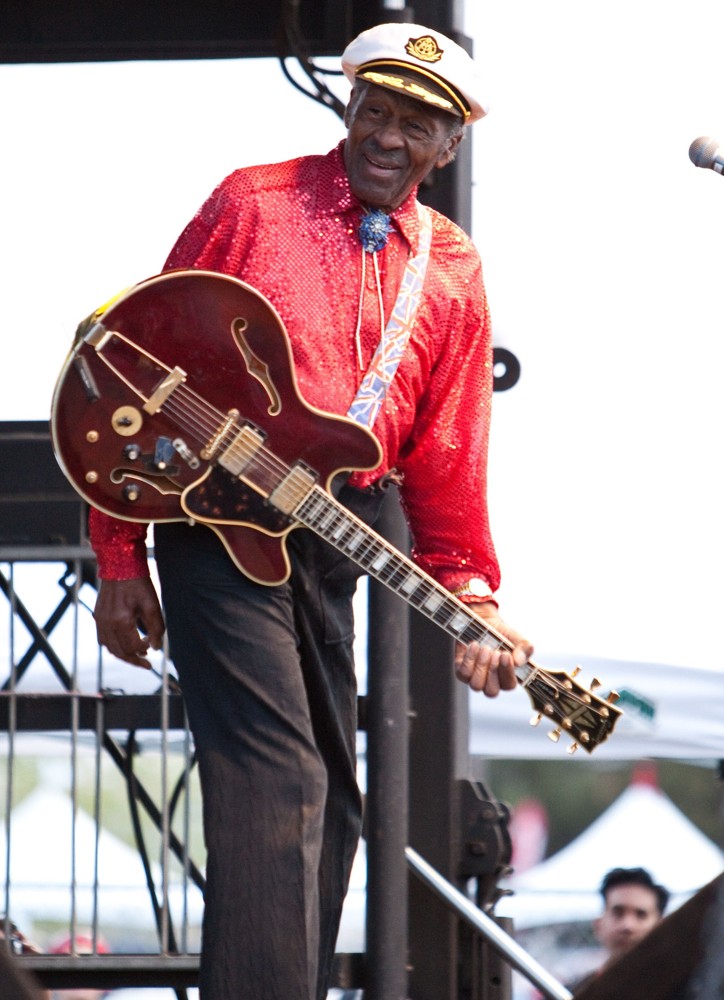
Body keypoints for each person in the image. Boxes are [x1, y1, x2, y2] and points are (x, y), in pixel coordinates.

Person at [85, 21, 533, 1000]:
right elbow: (130, 360)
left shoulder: (451, 267)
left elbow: (449, 452)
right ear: (347, 103)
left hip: (338, 537)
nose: (385, 136)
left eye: (415, 125)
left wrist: (472, 591)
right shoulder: (255, 202)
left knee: (331, 798)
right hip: (216, 513)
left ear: (448, 145)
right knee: (276, 774)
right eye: (374, 109)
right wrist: (119, 555)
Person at [568, 866, 670, 993]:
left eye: (641, 914)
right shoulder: (569, 992)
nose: (627, 926)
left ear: (661, 927)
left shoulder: (685, 990)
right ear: (598, 924)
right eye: (618, 913)